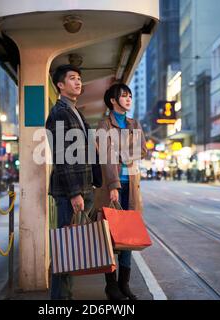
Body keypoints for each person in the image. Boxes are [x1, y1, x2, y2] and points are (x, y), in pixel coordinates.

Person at [45, 64, 96, 300]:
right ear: (60, 85)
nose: (78, 82)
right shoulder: (59, 113)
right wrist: (75, 192)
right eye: (72, 78)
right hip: (70, 192)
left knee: (72, 247)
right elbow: (62, 156)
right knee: (66, 248)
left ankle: (65, 297)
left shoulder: (75, 110)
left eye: (80, 79)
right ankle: (59, 300)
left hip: (82, 188)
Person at [95, 83, 147, 300]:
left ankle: (124, 283)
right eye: (124, 96)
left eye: (130, 96)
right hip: (111, 187)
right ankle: (111, 284)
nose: (128, 99)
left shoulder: (135, 123)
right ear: (113, 101)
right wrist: (114, 185)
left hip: (132, 187)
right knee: (109, 236)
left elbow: (143, 150)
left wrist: (120, 149)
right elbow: (106, 156)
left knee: (129, 236)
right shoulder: (103, 125)